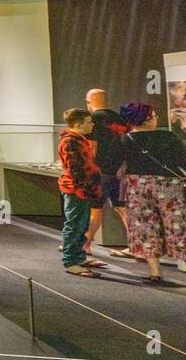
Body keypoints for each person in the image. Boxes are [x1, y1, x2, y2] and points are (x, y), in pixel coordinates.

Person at [119, 102, 186, 288]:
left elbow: (112, 165)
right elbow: (185, 161)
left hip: (138, 188)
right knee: (181, 227)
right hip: (169, 187)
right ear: (148, 119)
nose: (156, 117)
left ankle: (155, 273)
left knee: (145, 227)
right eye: (154, 115)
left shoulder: (125, 139)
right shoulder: (167, 136)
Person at [83, 88, 135, 258]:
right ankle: (137, 246)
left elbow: (92, 146)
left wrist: (87, 169)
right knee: (122, 208)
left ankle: (85, 245)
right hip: (120, 171)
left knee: (95, 207)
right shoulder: (120, 119)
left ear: (89, 102)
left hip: (101, 170)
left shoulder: (94, 120)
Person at [57, 108, 103, 277]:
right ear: (78, 124)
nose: (92, 124)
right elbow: (76, 169)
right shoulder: (71, 142)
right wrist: (85, 188)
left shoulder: (78, 140)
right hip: (77, 190)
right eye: (89, 122)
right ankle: (71, 262)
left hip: (82, 189)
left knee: (81, 225)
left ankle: (78, 257)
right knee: (74, 225)